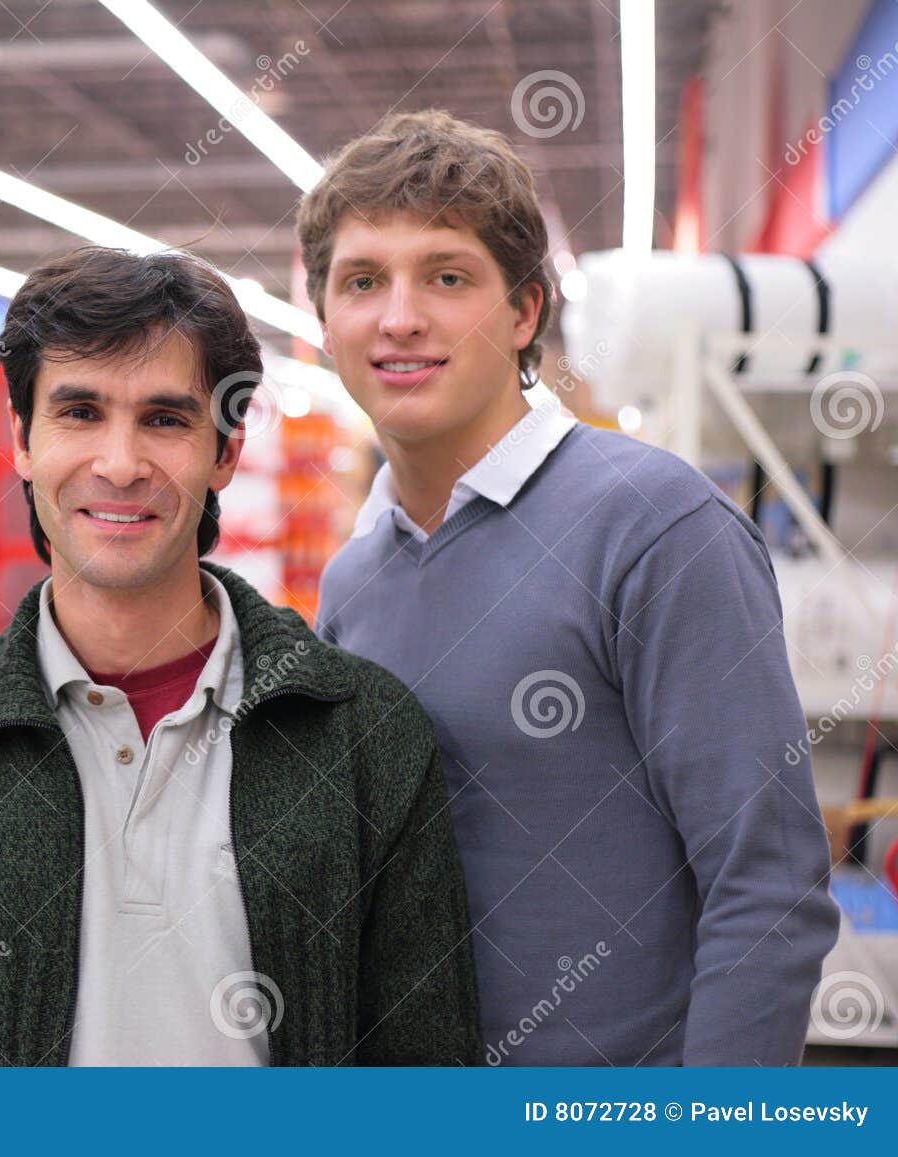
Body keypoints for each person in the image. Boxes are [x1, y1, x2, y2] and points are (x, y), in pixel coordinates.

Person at [0, 246, 480, 1067]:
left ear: (226, 453)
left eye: (165, 419)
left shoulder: (364, 737)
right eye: (81, 412)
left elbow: (429, 1081)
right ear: (23, 441)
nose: (121, 464)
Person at [304, 110, 840, 1065]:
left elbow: (770, 889)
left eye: (447, 276)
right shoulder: (355, 578)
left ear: (524, 312)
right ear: (324, 319)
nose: (399, 316)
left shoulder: (655, 526)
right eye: (362, 281)